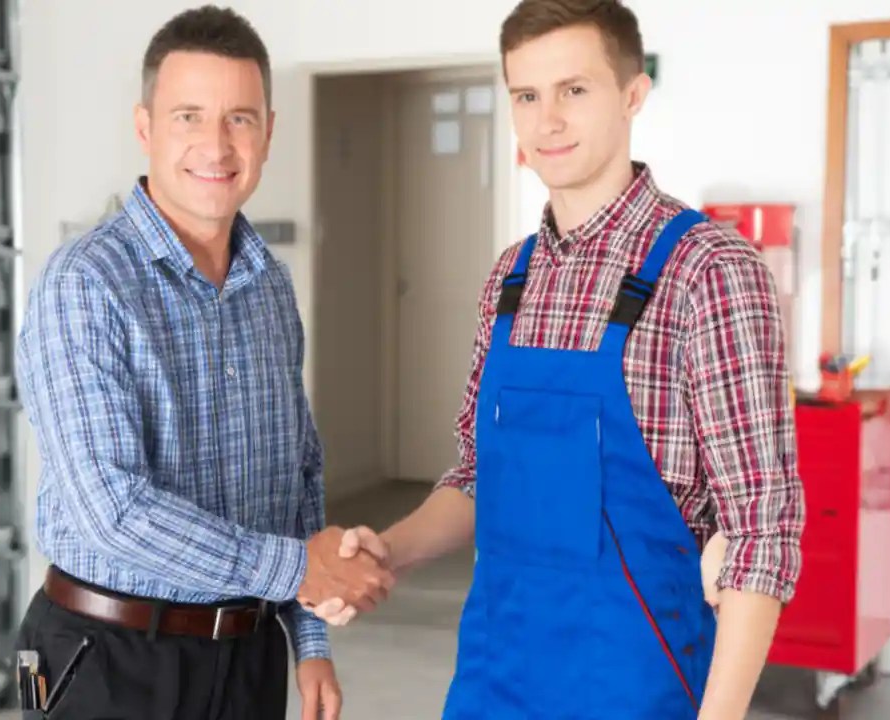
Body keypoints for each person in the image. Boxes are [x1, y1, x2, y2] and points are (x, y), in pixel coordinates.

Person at [309, 1, 805, 718]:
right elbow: (479, 479)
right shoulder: (511, 278)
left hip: (639, 688)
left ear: (633, 94)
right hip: (492, 679)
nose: (548, 121)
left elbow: (764, 525)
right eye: (527, 95)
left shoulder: (708, 271)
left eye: (575, 90)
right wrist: (385, 551)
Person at [12, 6, 393, 719]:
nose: (216, 145)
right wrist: (299, 570)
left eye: (240, 118)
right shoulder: (84, 284)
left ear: (269, 133)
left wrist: (309, 641)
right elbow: (112, 511)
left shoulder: (270, 287)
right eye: (189, 115)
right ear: (146, 127)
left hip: (248, 659)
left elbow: (297, 478)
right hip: (111, 662)